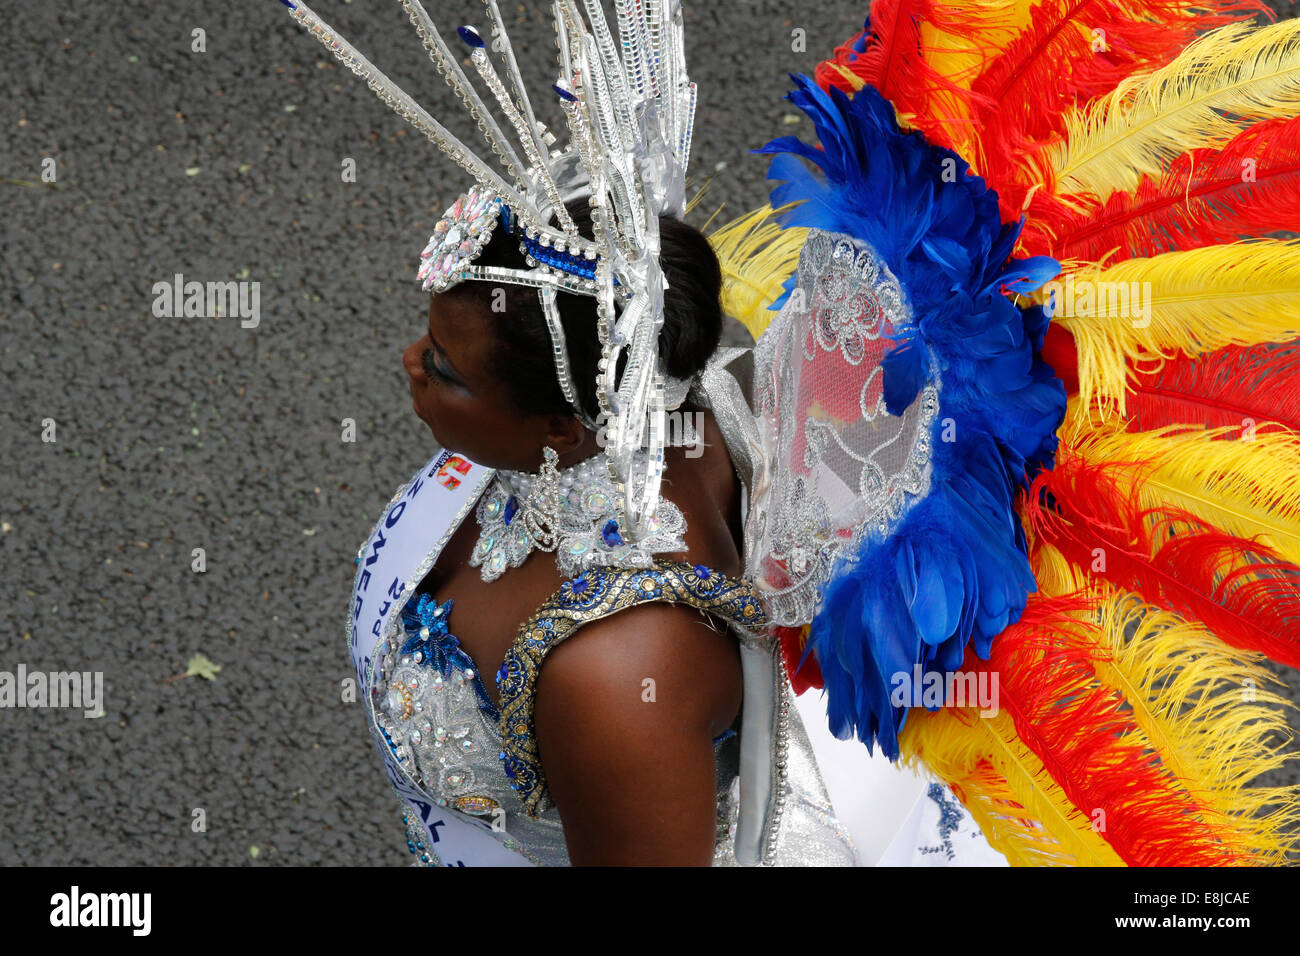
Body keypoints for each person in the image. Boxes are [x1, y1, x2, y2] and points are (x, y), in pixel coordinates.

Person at [285, 0, 1300, 867]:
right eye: (432, 342)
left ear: (564, 419)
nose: (409, 367)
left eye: (447, 368)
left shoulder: (618, 671)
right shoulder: (655, 412)